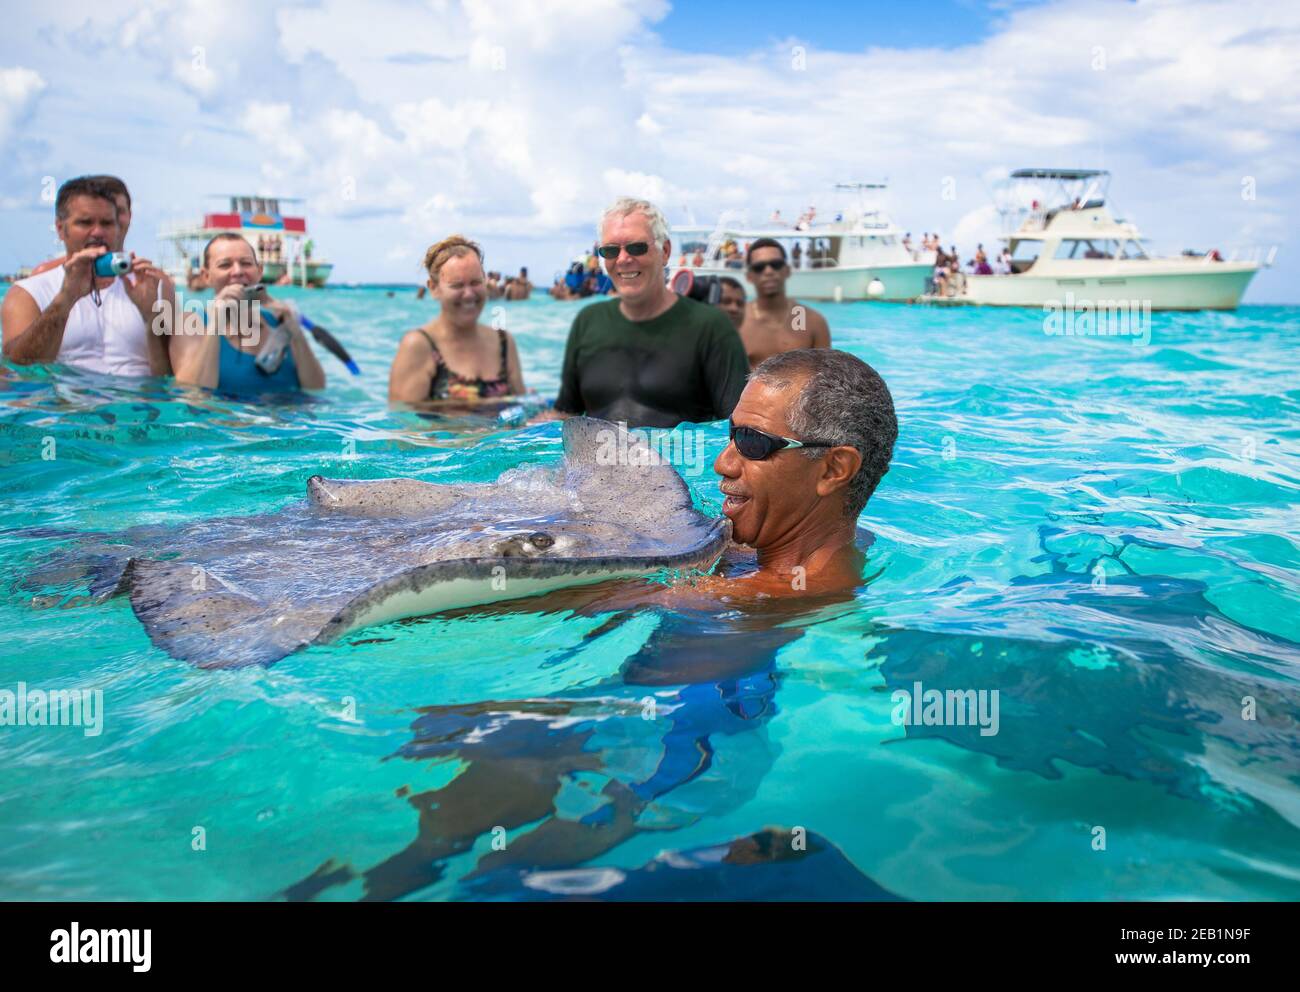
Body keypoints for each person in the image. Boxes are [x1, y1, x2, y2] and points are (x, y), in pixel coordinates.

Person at [551, 196, 748, 428]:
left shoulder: (711, 327)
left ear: (664, 251)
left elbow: (740, 427)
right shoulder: (588, 321)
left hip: (677, 462)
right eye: (610, 251)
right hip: (592, 461)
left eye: (637, 247)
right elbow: (565, 413)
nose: (623, 259)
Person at [2, 175, 170, 376]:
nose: (98, 232)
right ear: (60, 229)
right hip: (68, 405)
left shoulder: (154, 286)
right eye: (85, 222)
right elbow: (18, 369)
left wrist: (151, 318)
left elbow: (169, 375)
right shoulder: (28, 293)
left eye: (107, 223)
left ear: (119, 228)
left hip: (138, 404)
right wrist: (66, 299)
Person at [167, 233, 325, 396]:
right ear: (207, 276)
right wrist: (216, 324)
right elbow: (194, 395)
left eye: (246, 263)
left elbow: (316, 388)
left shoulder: (279, 322)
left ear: (259, 271)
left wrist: (297, 334)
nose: (237, 271)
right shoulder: (190, 323)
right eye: (225, 265)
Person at [389, 235, 526, 405]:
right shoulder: (418, 345)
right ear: (433, 288)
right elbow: (404, 425)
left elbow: (523, 411)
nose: (468, 294)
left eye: (476, 282)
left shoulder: (504, 342)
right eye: (457, 285)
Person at [737, 238, 830, 368]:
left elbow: (827, 378)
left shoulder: (813, 322)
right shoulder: (737, 322)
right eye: (759, 267)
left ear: (787, 270)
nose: (768, 271)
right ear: (749, 276)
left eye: (776, 264)